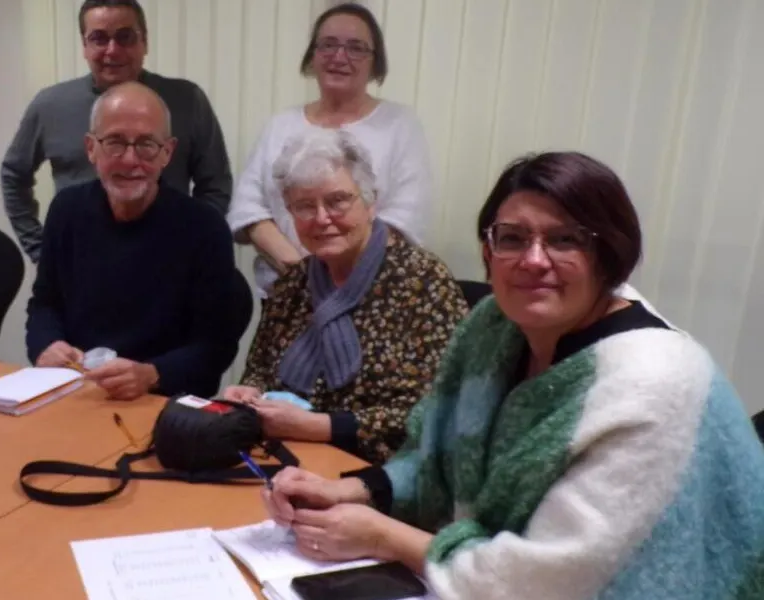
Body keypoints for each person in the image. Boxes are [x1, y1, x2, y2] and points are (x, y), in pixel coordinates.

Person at [262, 151, 764, 598]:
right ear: (488, 250)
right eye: (512, 238)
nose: (534, 260)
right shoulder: (493, 328)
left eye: (565, 240)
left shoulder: (654, 385)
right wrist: (353, 490)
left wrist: (381, 536)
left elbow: (552, 581)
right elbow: (434, 460)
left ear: (610, 254)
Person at [222, 129, 466, 464]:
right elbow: (259, 370)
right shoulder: (292, 284)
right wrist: (248, 393)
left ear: (370, 202)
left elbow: (436, 409)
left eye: (337, 200)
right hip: (281, 456)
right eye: (305, 206)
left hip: (382, 472)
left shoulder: (423, 282)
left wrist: (321, 426)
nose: (322, 219)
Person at [25, 81, 245, 401]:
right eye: (114, 142)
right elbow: (45, 303)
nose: (130, 160)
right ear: (91, 148)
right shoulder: (66, 211)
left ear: (166, 153)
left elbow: (215, 346)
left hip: (160, 401)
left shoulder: (203, 228)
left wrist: (152, 374)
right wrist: (46, 346)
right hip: (76, 392)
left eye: (146, 144)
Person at [227, 2, 434, 298]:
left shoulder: (400, 124)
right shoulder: (280, 125)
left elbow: (405, 216)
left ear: (375, 62)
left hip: (367, 295)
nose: (339, 56)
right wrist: (301, 270)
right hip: (287, 293)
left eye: (356, 47)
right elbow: (248, 209)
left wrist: (342, 278)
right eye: (328, 45)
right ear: (313, 55)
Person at [1, 0, 232, 263]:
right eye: (99, 38)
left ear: (145, 42)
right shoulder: (50, 106)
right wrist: (41, 249)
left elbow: (216, 183)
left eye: (125, 37)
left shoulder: (187, 101)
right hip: (81, 264)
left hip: (169, 262)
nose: (112, 50)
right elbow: (13, 175)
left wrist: (194, 242)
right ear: (85, 46)